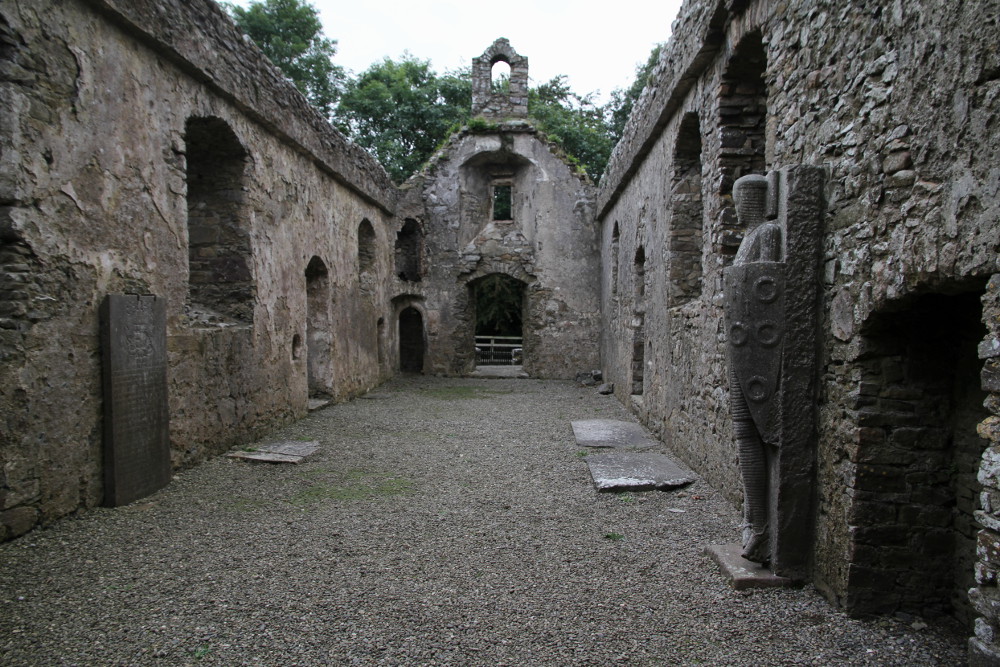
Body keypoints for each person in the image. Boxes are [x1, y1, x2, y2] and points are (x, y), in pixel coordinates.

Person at [725, 174, 783, 564]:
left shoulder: (767, 234)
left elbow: (770, 290)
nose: (737, 206)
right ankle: (753, 518)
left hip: (759, 353)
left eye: (742, 199)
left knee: (756, 433)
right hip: (742, 346)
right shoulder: (748, 239)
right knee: (744, 432)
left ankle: (761, 526)